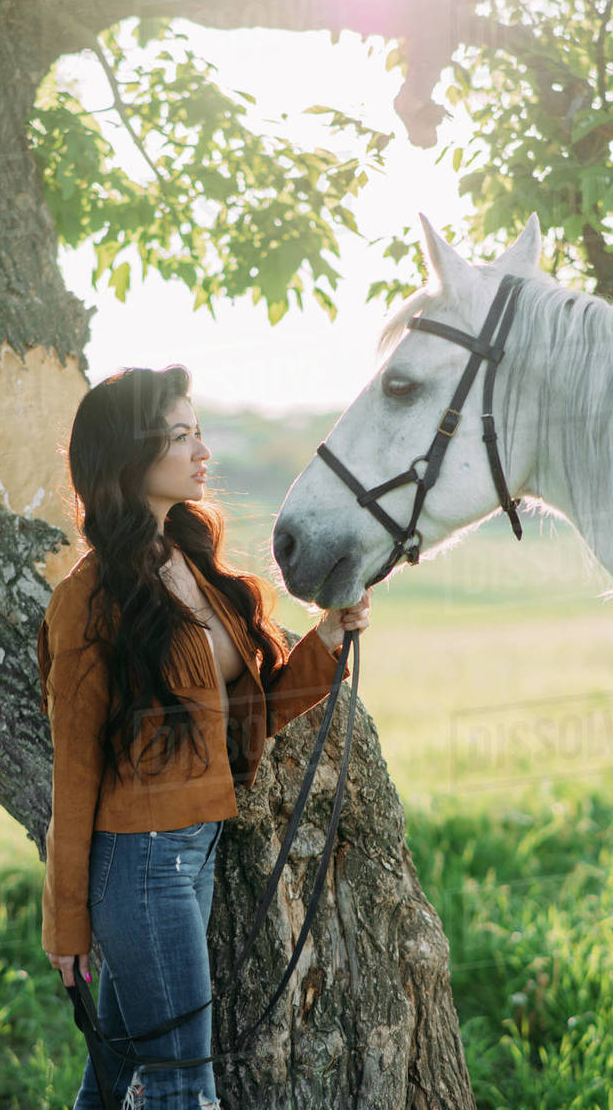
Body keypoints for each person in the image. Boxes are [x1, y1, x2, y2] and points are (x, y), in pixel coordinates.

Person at [38, 365, 371, 1109]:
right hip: (141, 864)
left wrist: (326, 638)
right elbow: (73, 768)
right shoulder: (86, 603)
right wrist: (65, 918)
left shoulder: (190, 567)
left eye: (199, 432)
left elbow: (251, 713)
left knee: (118, 1076)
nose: (202, 451)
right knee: (183, 1084)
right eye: (181, 435)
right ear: (132, 457)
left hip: (196, 853)